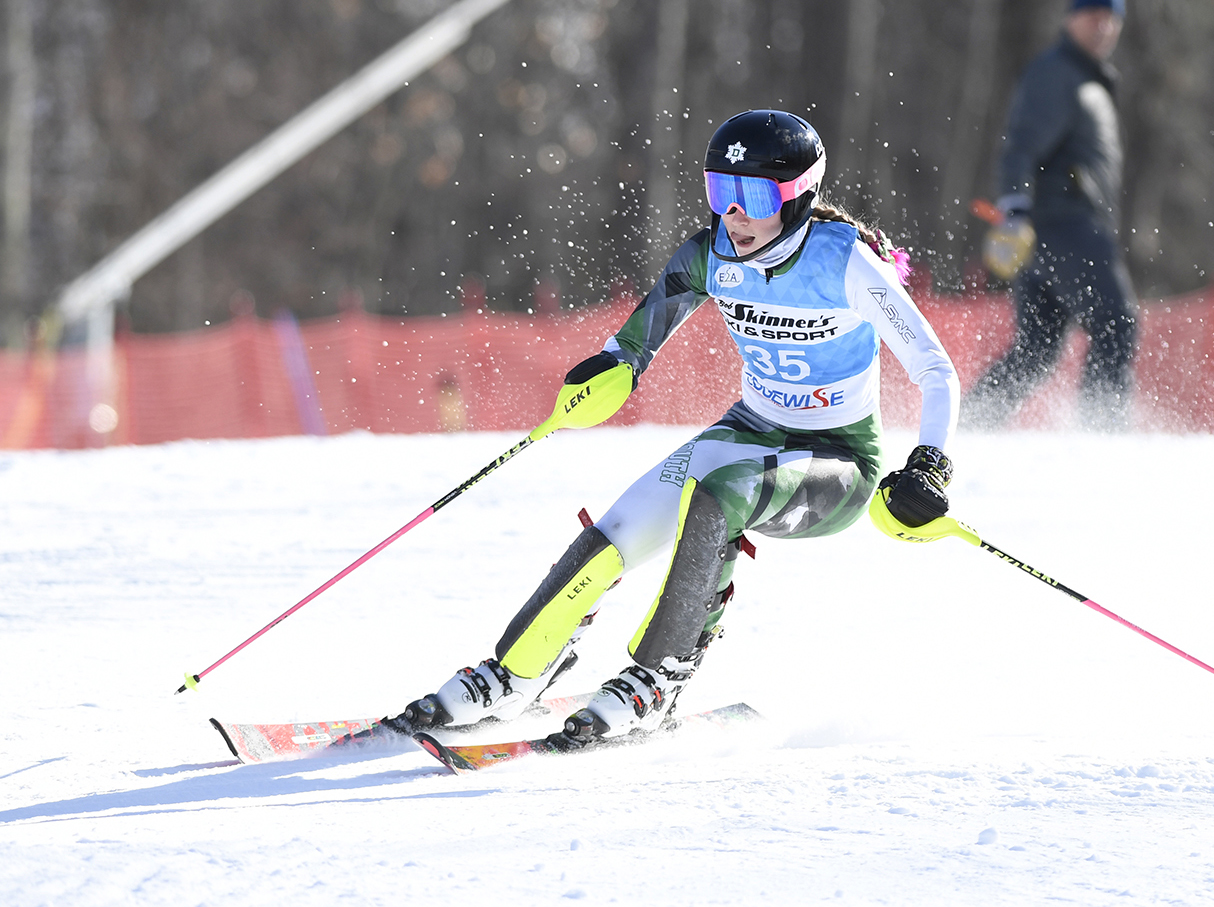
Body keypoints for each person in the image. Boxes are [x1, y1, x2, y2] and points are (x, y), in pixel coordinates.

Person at [389, 109, 961, 750]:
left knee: (720, 492)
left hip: (836, 463)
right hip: (748, 430)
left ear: (798, 198)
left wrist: (929, 465)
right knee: (614, 535)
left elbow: (935, 370)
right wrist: (609, 369)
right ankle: (517, 673)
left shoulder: (847, 264)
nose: (733, 216)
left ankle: (659, 676)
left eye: (751, 197)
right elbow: (636, 340)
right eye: (721, 193)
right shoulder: (709, 255)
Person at [961, 0, 1139, 432]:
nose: (1103, 26)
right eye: (1092, 14)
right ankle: (1103, 437)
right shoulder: (1058, 73)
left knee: (1037, 348)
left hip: (1050, 230)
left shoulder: (1084, 77)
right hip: (1064, 224)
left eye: (1111, 17)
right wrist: (1015, 209)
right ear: (1069, 17)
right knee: (1117, 323)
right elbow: (1020, 146)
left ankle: (966, 427)